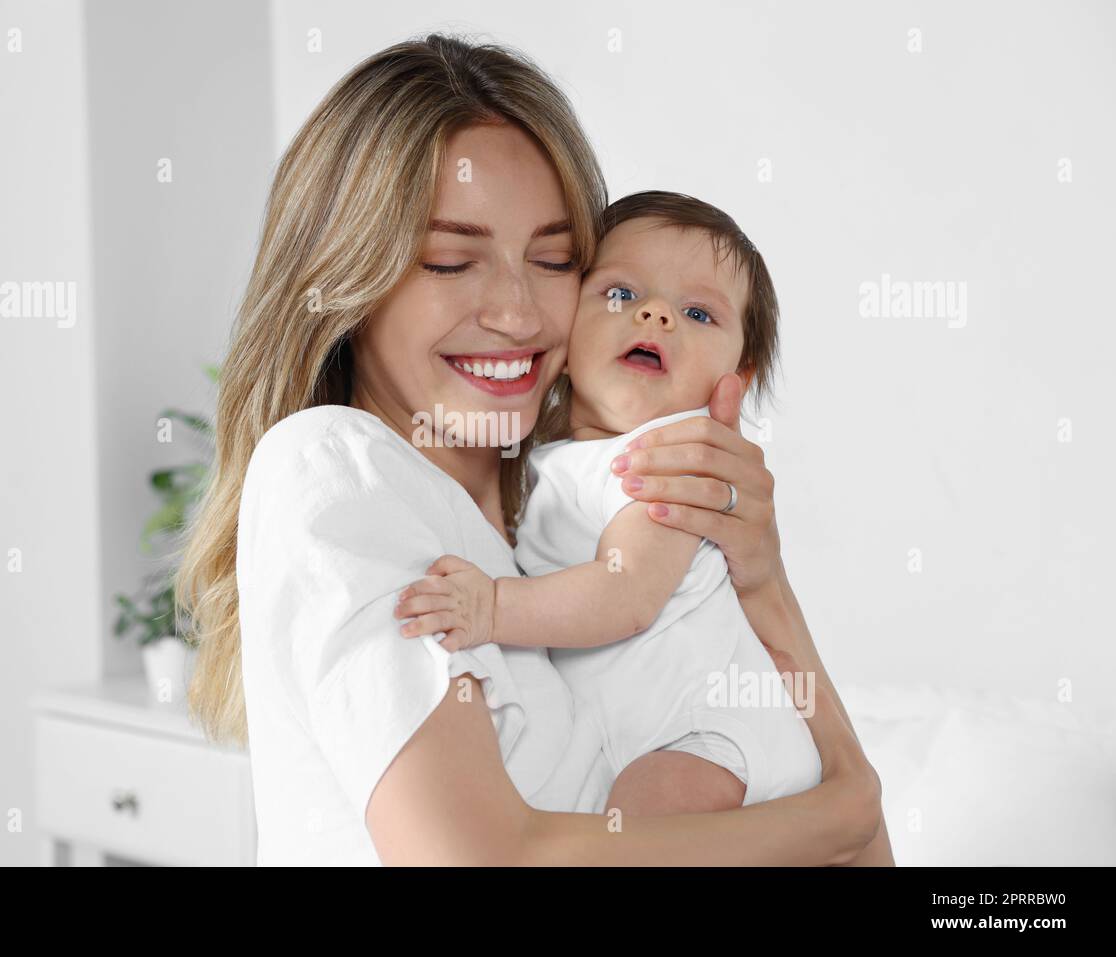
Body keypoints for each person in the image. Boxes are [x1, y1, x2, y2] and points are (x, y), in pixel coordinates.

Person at [177, 33, 890, 866]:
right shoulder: (335, 466)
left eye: (554, 261)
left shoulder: (544, 532)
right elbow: (481, 857)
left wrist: (762, 582)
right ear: (343, 280)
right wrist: (840, 808)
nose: (517, 313)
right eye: (450, 261)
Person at [395, 191, 822, 817]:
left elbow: (624, 597)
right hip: (641, 743)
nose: (655, 315)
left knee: (632, 832)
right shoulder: (556, 460)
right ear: (569, 330)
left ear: (741, 373)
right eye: (621, 295)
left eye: (699, 313)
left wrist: (491, 607)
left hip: (706, 739)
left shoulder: (674, 461)